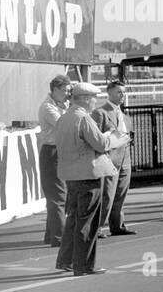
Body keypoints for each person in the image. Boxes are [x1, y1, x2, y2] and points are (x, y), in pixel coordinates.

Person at [53, 82, 130, 276]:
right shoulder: (83, 118)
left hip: (71, 175)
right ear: (86, 99)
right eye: (93, 98)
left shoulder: (63, 118)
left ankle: (65, 260)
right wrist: (116, 139)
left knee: (73, 219)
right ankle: (84, 265)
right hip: (88, 174)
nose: (95, 102)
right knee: (88, 221)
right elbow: (101, 143)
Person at [93, 78, 136, 236]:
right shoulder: (100, 113)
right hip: (109, 161)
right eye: (119, 92)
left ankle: (117, 225)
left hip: (125, 160)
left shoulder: (125, 117)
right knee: (107, 196)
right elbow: (96, 140)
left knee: (121, 194)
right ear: (109, 93)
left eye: (124, 92)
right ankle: (96, 228)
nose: (122, 95)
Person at [37, 74, 71, 247]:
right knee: (58, 196)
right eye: (64, 91)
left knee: (56, 195)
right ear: (55, 90)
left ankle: (51, 234)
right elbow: (64, 125)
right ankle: (59, 237)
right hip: (52, 151)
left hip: (58, 151)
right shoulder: (48, 107)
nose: (67, 94)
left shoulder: (60, 105)